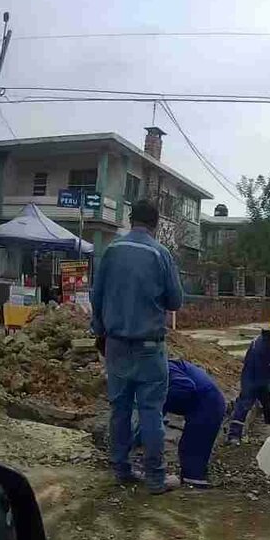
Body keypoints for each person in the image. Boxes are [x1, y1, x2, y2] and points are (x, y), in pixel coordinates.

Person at [91, 198, 184, 495]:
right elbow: (176, 301)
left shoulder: (111, 250)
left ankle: (121, 469)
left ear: (131, 219)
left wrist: (100, 332)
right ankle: (156, 478)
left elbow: (96, 295)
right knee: (151, 411)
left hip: (116, 344)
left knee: (119, 409)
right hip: (149, 347)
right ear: (155, 224)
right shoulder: (160, 254)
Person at [162, 359, 226, 488]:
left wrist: (159, 402)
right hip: (205, 402)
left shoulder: (165, 368)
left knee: (193, 451)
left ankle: (195, 489)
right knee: (191, 449)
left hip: (208, 404)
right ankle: (194, 481)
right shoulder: (166, 365)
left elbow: (185, 386)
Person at [226, 318, 270, 443]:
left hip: (266, 375)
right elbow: (264, 372)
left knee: (269, 403)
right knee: (245, 404)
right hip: (251, 376)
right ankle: (234, 435)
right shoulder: (259, 348)